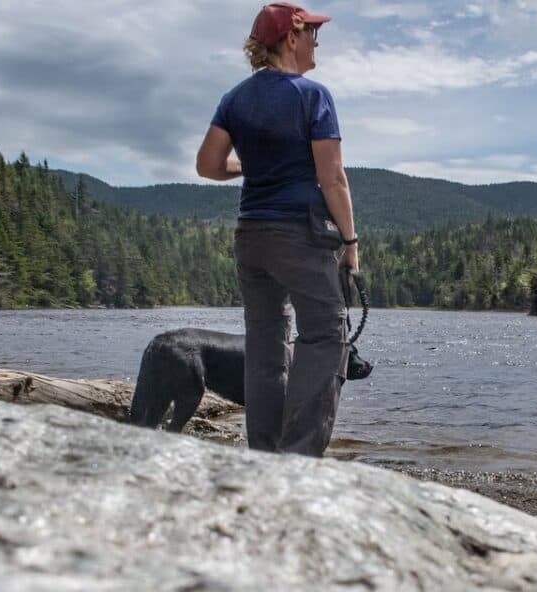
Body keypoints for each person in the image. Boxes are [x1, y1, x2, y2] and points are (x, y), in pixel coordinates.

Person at [196, 2, 357, 457]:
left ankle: (264, 455)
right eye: (313, 34)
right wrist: (350, 241)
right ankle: (300, 458)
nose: (317, 42)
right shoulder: (313, 96)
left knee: (266, 343)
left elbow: (207, 166)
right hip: (299, 236)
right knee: (325, 334)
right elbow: (333, 178)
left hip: (251, 237)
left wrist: (247, 166)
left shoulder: (235, 98)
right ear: (292, 37)